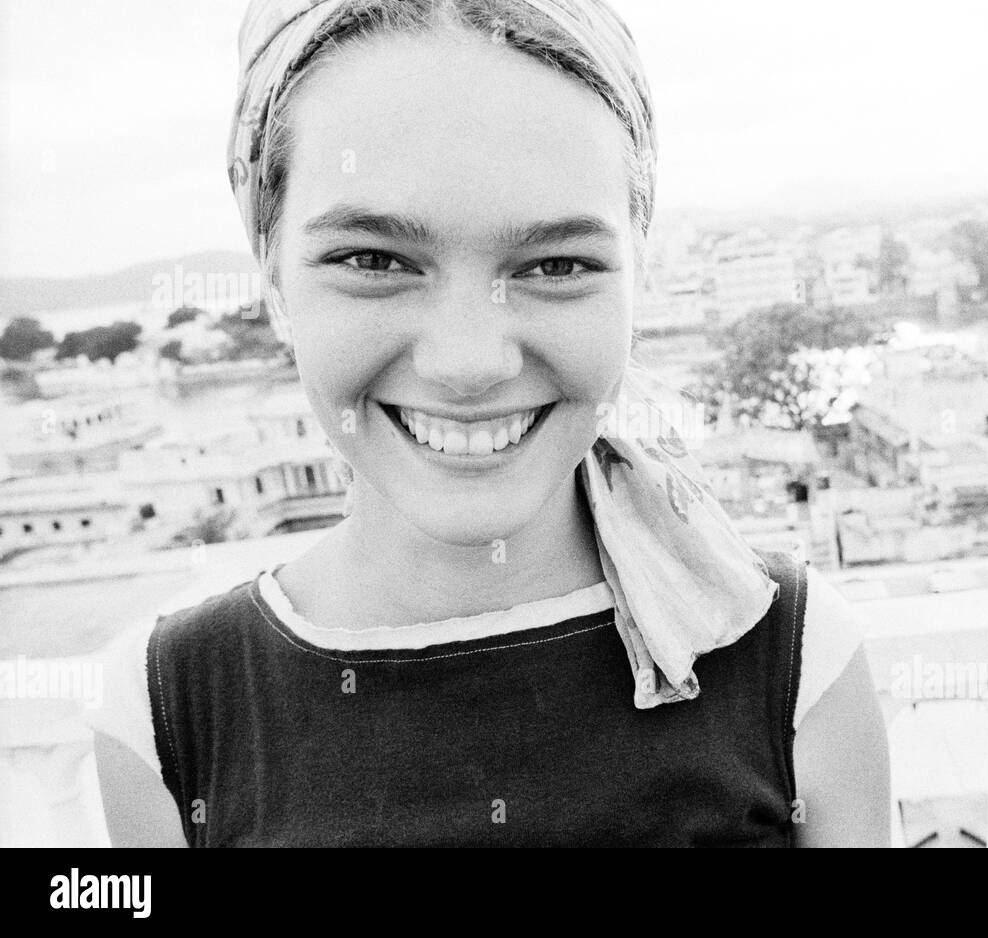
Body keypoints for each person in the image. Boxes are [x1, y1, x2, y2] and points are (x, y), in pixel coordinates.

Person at [87, 0, 889, 847]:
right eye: (374, 260)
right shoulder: (166, 717)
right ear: (274, 281)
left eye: (556, 264)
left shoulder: (796, 665)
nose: (469, 362)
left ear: (638, 275)